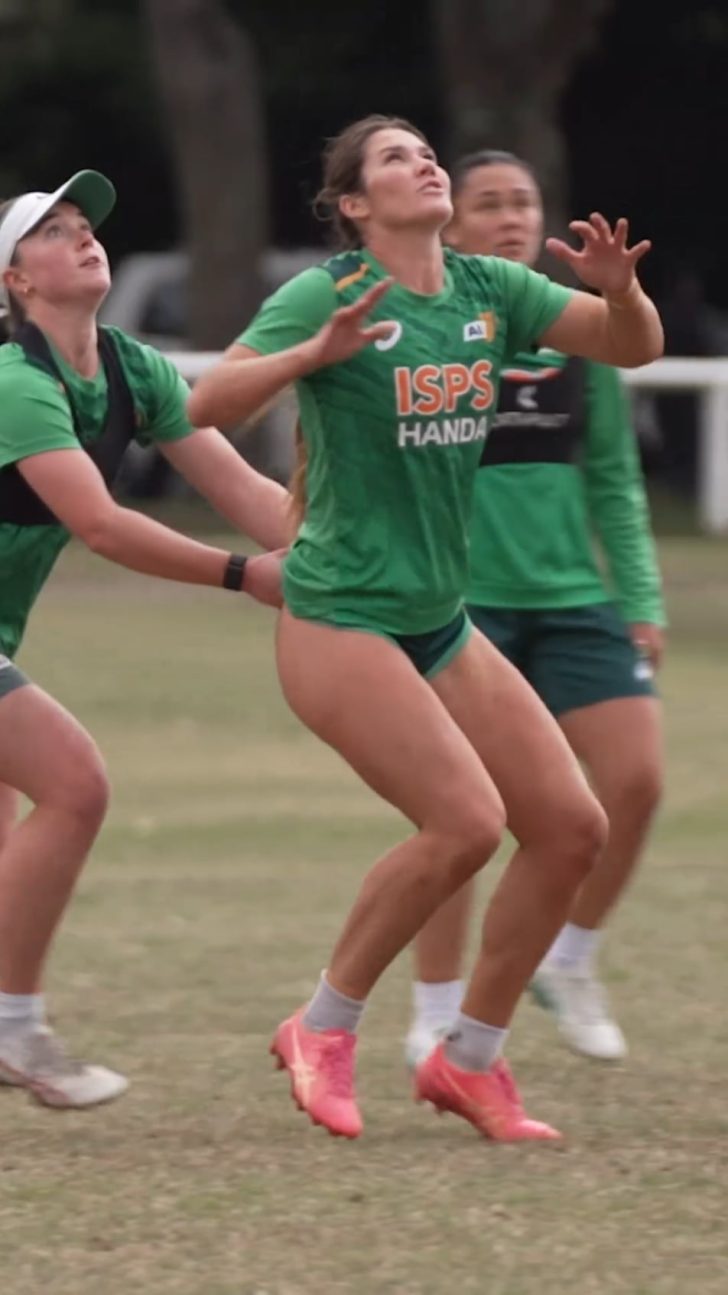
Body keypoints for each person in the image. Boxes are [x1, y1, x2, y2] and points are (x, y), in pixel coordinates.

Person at [189, 115, 663, 1143]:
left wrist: (617, 289)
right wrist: (311, 353)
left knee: (570, 825)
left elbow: (630, 346)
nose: (425, 163)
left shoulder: (488, 289)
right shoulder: (331, 291)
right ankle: (320, 1027)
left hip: (434, 617)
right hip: (335, 612)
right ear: (354, 204)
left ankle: (470, 1060)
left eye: (425, 151)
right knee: (462, 823)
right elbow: (205, 402)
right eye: (395, 157)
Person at [0, 171, 289, 1107]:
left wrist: (355, 563)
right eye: (54, 233)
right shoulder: (13, 383)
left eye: (87, 226)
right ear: (15, 282)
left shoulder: (132, 367)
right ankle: (15, 1033)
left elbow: (248, 495)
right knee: (74, 783)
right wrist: (244, 576)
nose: (83, 238)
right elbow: (103, 526)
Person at [405, 150, 666, 1069]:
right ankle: (434, 1007)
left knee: (635, 780)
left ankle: (572, 958)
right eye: (490, 204)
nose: (511, 217)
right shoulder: (435, 331)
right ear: (453, 223)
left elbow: (615, 480)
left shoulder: (580, 334)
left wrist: (640, 599)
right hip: (462, 605)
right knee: (461, 814)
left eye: (524, 202)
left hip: (575, 600)